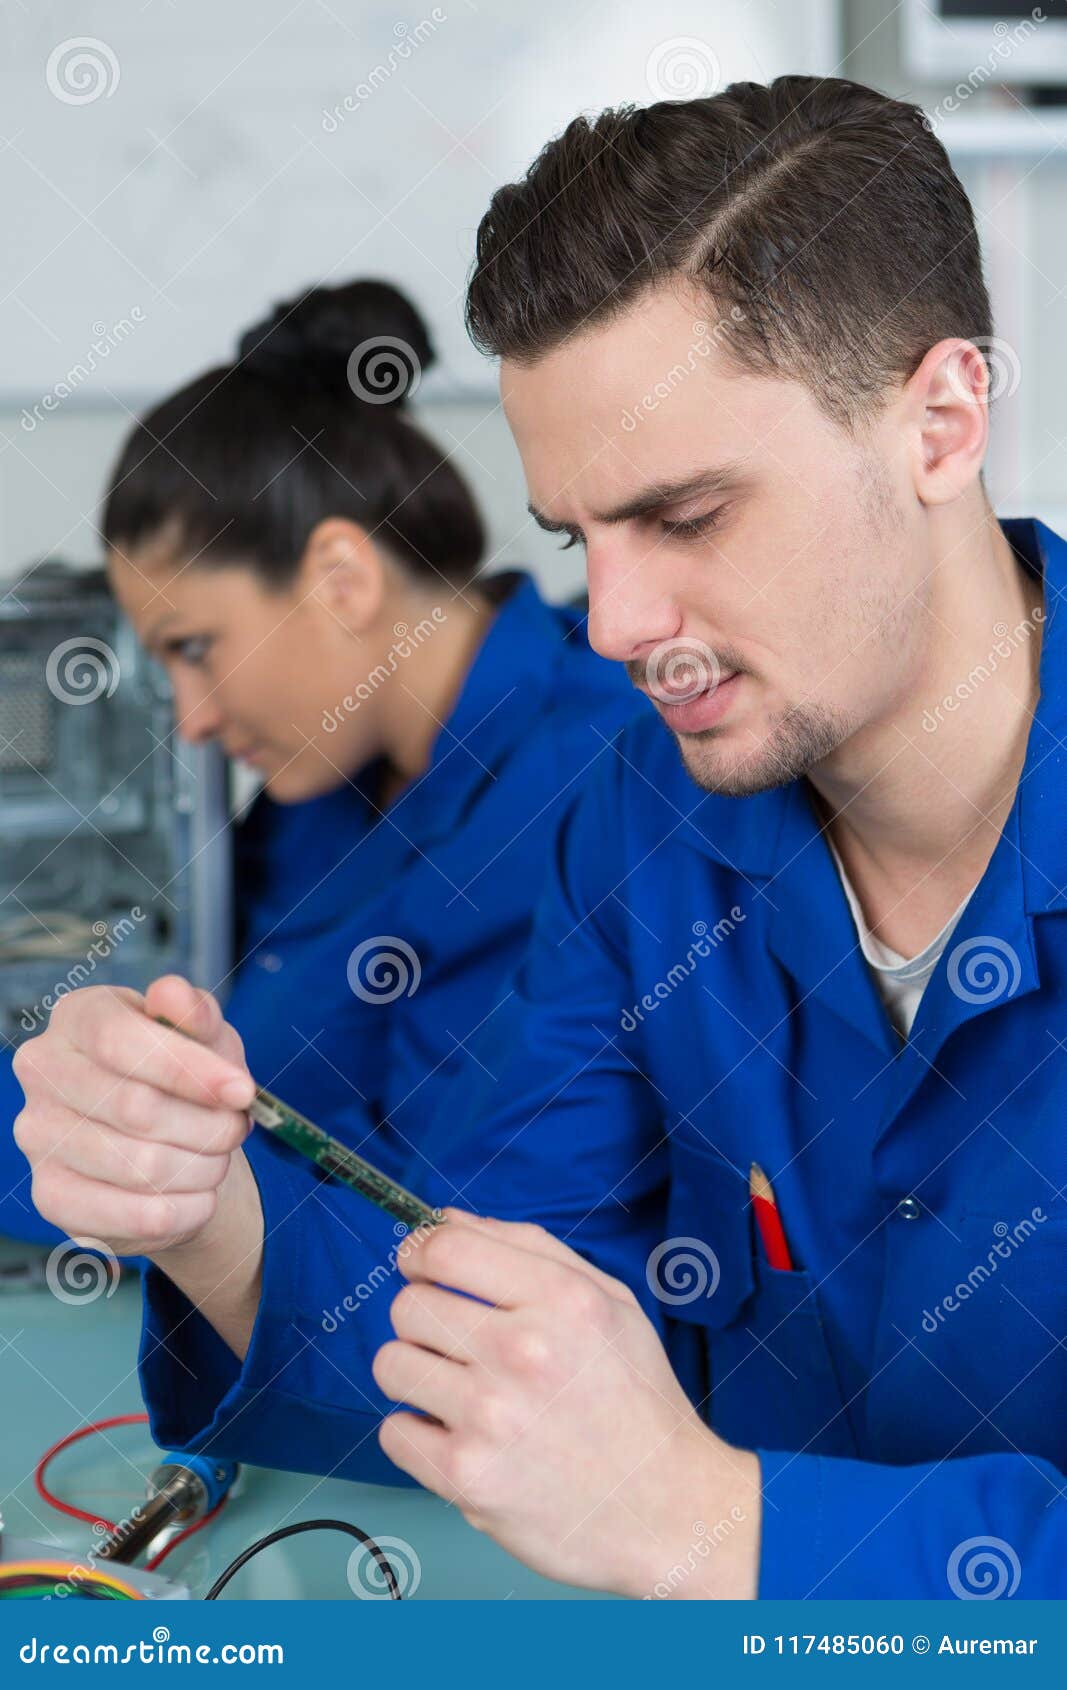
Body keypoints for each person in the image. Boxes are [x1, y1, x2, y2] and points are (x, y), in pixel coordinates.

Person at [14, 77, 1067, 1600]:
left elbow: (690, 1511)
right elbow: (489, 1322)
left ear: (940, 418)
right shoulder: (642, 827)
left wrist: (719, 1521)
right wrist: (207, 1210)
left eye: (688, 515)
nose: (621, 626)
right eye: (581, 538)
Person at [0, 279, 639, 1240]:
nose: (194, 721)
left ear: (341, 581)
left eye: (195, 648)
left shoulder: (589, 785)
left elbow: (404, 1213)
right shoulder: (329, 787)